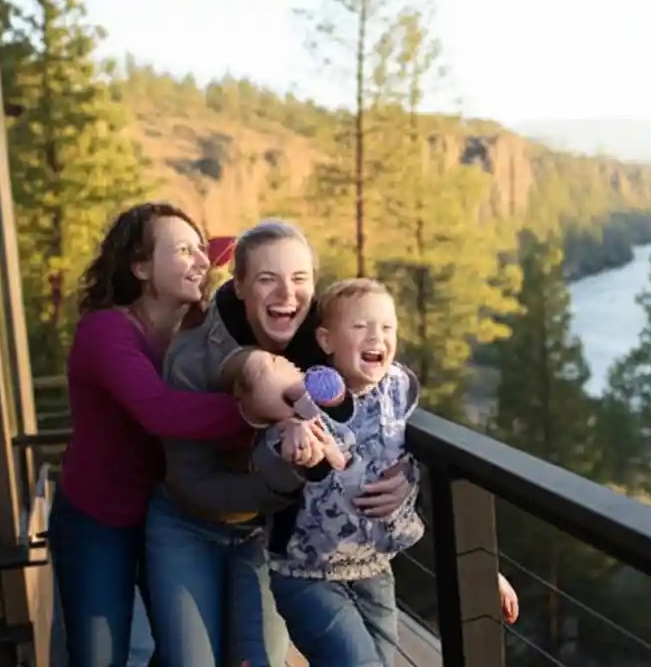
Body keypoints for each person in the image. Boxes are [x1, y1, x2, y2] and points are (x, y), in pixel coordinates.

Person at [143, 220, 397, 666]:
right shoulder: (192, 357)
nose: (287, 294)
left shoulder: (328, 341)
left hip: (269, 539)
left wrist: (409, 493)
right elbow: (193, 483)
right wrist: (289, 474)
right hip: (189, 524)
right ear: (239, 285)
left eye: (300, 279)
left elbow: (386, 413)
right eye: (267, 279)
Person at [48, 202, 286, 666]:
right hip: (100, 519)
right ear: (140, 267)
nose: (201, 260)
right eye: (182, 250)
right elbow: (160, 413)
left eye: (201, 248)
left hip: (170, 515)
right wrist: (258, 412)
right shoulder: (106, 333)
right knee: (100, 655)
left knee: (184, 649)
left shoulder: (201, 331)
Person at [267, 277, 520, 666]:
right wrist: (293, 434)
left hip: (374, 568)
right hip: (306, 572)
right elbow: (272, 452)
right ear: (326, 340)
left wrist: (485, 571)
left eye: (387, 327)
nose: (377, 336)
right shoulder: (302, 399)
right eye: (361, 326)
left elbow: (432, 483)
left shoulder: (397, 391)